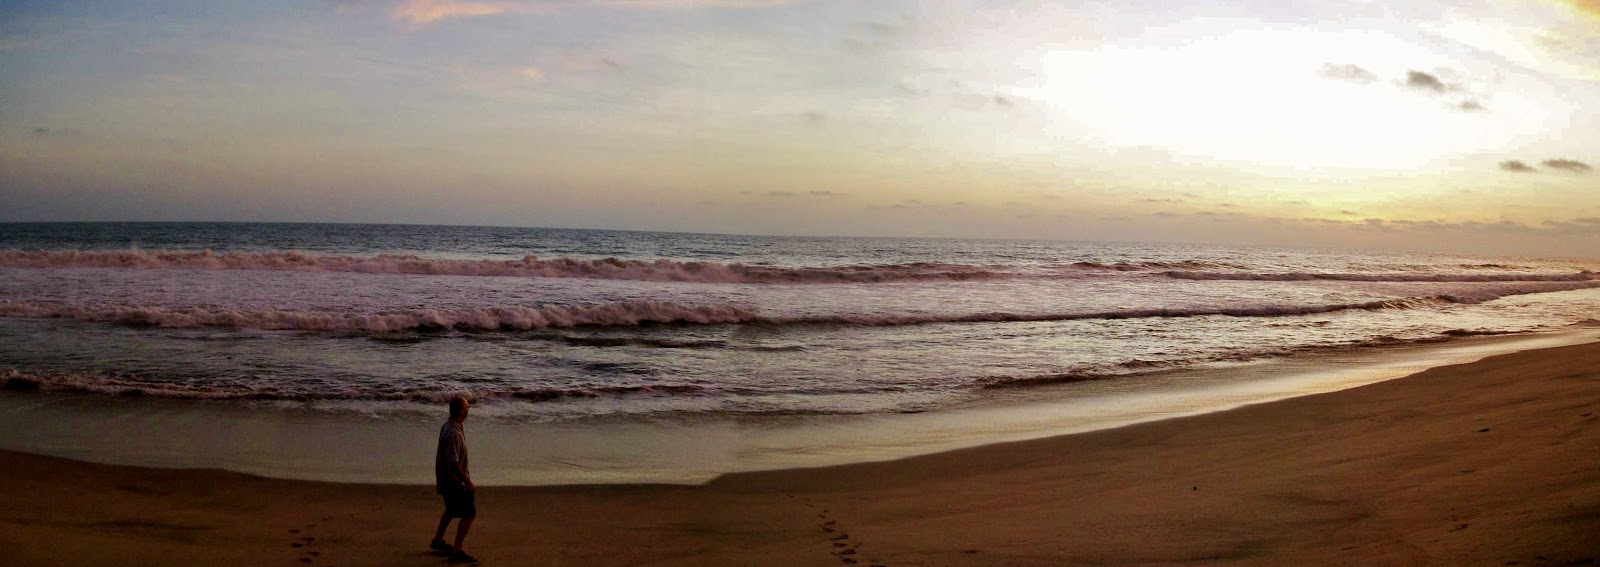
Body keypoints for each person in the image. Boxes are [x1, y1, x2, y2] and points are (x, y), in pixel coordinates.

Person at [431, 395, 477, 563]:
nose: (468, 409)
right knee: (470, 513)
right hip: (453, 482)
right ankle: (457, 550)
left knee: (451, 510)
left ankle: (438, 540)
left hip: (446, 480)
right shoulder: (453, 433)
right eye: (467, 407)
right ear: (460, 411)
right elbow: (453, 464)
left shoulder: (450, 426)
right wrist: (467, 482)